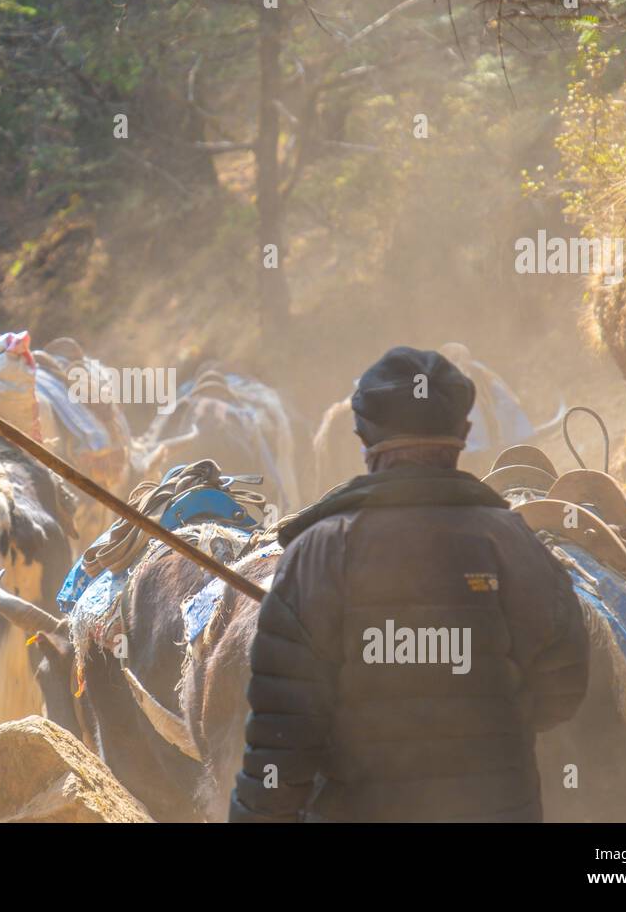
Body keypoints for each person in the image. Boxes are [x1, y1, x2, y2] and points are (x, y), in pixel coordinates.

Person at [229, 346, 589, 822]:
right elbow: (565, 682)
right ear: (462, 434)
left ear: (362, 435)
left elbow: (280, 737)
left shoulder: (314, 555)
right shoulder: (513, 542)